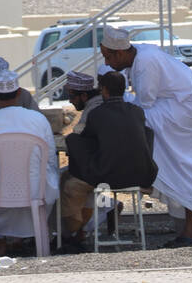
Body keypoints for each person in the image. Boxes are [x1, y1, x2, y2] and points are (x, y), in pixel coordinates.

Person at [100, 25, 192, 247]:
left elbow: (144, 105)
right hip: (174, 107)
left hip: (184, 110)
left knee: (180, 164)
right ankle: (154, 184)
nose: (107, 63)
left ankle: (147, 180)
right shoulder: (139, 54)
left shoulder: (145, 63)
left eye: (108, 57)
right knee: (174, 164)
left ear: (120, 53)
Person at [0, 69, 59, 250]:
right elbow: (50, 159)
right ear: (19, 92)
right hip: (34, 191)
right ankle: (32, 239)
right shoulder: (38, 120)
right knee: (50, 177)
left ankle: (1, 238)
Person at [62, 72, 157, 249]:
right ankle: (92, 220)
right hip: (140, 175)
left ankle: (72, 231)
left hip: (107, 177)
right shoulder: (137, 112)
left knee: (73, 142)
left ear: (104, 90)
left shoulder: (97, 114)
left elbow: (84, 139)